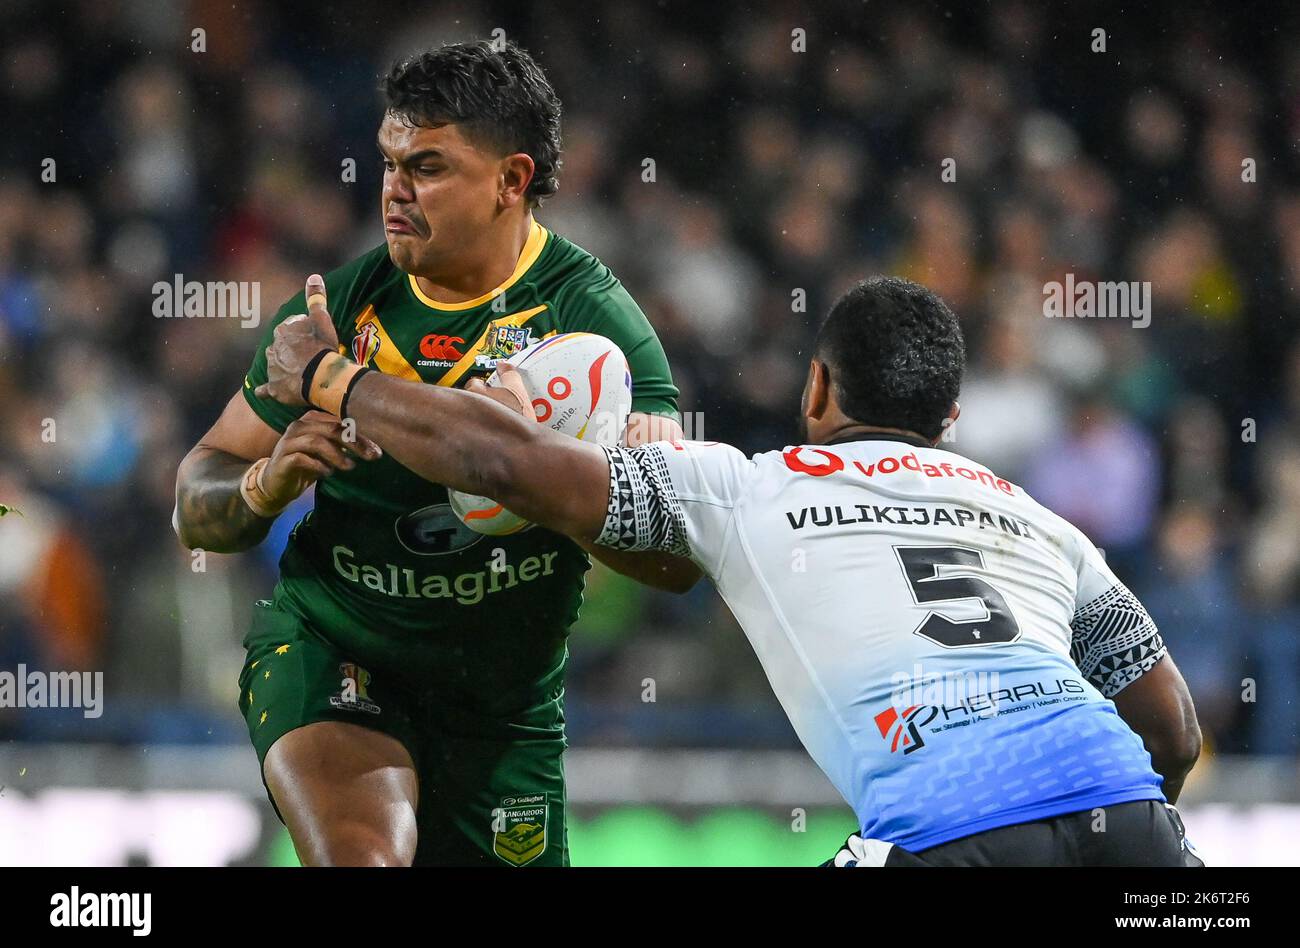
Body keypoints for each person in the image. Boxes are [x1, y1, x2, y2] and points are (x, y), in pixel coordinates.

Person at [255, 274, 1205, 866]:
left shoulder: (744, 488)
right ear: (949, 421)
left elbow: (504, 466)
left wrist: (334, 381)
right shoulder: (1040, 520)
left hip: (943, 831)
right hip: (1131, 821)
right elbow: (1173, 730)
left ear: (817, 389)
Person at [173, 41, 695, 867]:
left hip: (502, 705)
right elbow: (194, 503)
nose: (394, 190)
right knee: (363, 857)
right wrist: (268, 484)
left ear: (511, 181)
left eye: (427, 167)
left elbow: (673, 560)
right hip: (337, 651)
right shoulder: (338, 309)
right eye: (387, 163)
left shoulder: (598, 333)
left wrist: (550, 473)